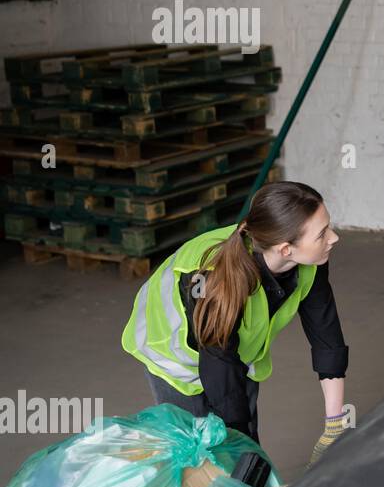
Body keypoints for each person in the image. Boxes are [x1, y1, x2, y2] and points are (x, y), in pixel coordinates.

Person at [121, 181, 350, 463]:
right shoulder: (215, 279)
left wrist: (334, 425)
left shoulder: (309, 260)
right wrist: (239, 448)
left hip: (234, 350)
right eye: (322, 234)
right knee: (196, 453)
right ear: (285, 249)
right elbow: (220, 367)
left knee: (245, 446)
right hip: (173, 353)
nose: (334, 237)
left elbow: (326, 336)